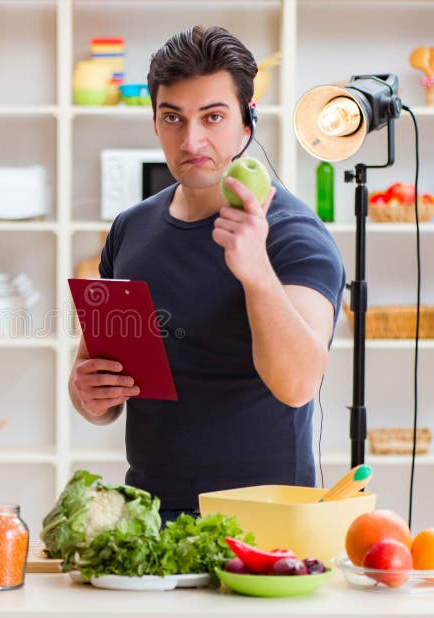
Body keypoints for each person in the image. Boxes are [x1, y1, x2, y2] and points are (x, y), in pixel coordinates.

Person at [69, 26, 346, 523]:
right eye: (172, 117)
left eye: (212, 117)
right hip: (148, 517)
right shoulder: (129, 229)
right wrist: (90, 394)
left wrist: (256, 270)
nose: (191, 139)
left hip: (264, 521)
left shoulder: (294, 234)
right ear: (154, 122)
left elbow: (299, 383)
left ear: (246, 125)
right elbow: (96, 387)